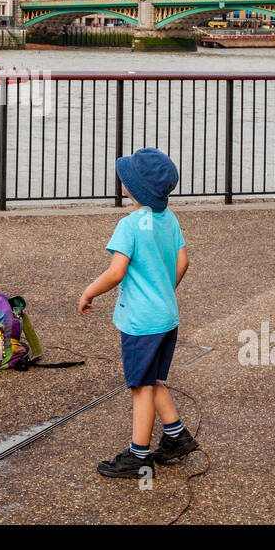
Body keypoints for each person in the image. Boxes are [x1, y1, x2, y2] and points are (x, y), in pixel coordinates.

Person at [79, 147, 197, 478]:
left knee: (141, 387)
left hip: (141, 323)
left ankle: (138, 456)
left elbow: (116, 272)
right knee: (152, 378)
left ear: (135, 188)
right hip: (166, 317)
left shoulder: (129, 225)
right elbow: (183, 261)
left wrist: (89, 292)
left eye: (126, 178)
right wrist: (163, 290)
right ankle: (176, 435)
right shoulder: (169, 219)